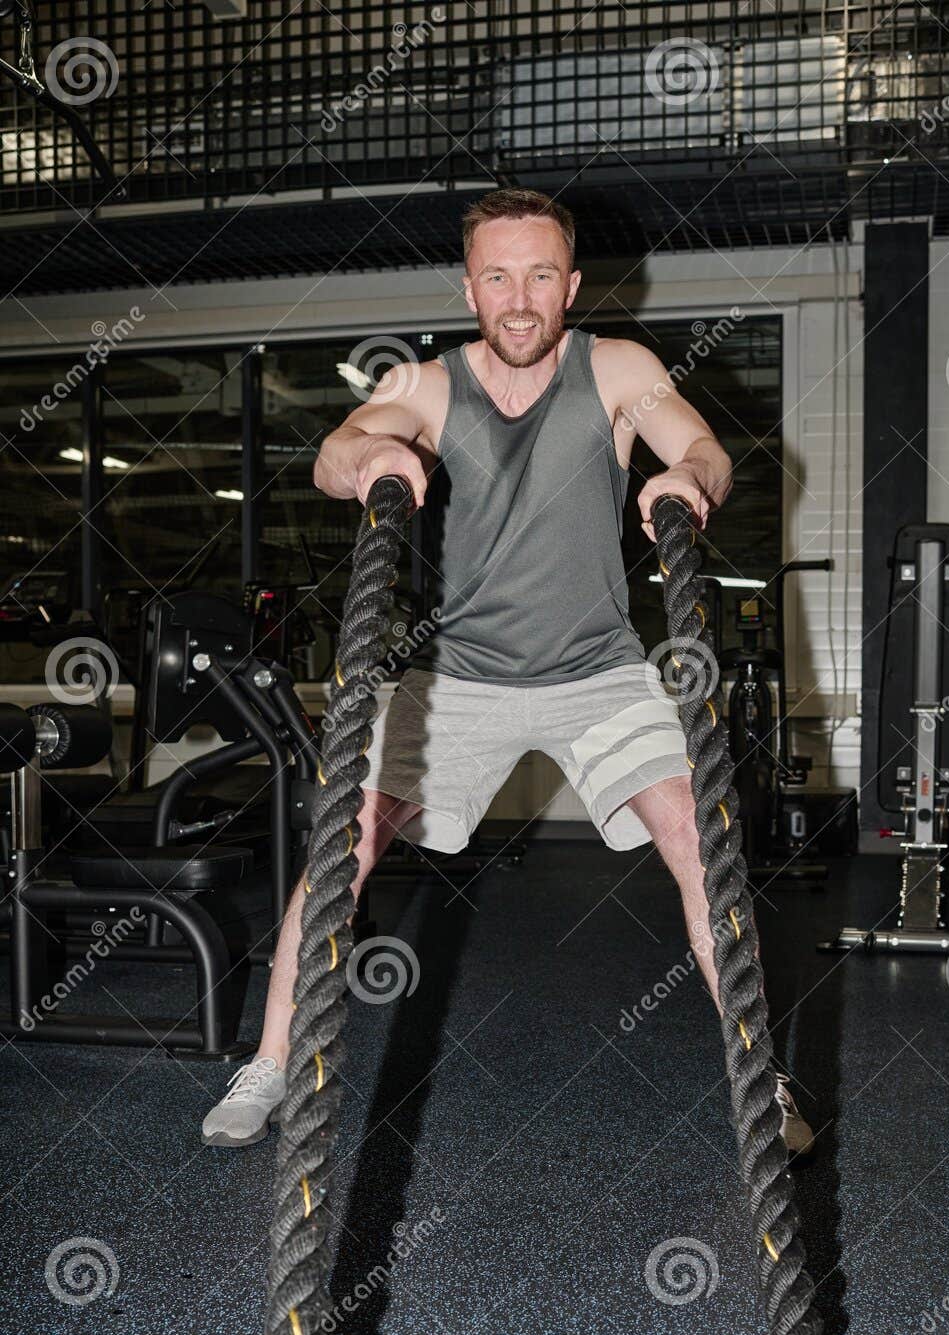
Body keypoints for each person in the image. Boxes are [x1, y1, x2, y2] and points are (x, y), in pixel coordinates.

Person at [202, 188, 814, 1158]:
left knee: (703, 839)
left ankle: (758, 1070)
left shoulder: (617, 369)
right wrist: (372, 457)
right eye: (497, 277)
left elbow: (700, 445)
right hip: (460, 679)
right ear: (469, 286)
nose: (519, 299)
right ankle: (271, 1062)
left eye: (539, 276)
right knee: (340, 844)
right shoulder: (431, 382)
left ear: (570, 284)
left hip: (599, 670)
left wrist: (688, 480)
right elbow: (332, 452)